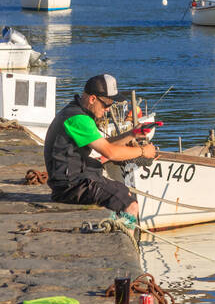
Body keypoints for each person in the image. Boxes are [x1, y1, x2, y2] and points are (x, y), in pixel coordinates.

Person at [43, 74, 156, 217]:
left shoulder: (76, 112)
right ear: (92, 99)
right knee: (131, 205)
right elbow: (110, 153)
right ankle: (124, 234)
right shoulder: (79, 119)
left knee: (124, 190)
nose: (108, 109)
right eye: (107, 104)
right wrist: (142, 151)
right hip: (70, 186)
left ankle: (120, 227)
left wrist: (132, 134)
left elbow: (103, 145)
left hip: (74, 180)